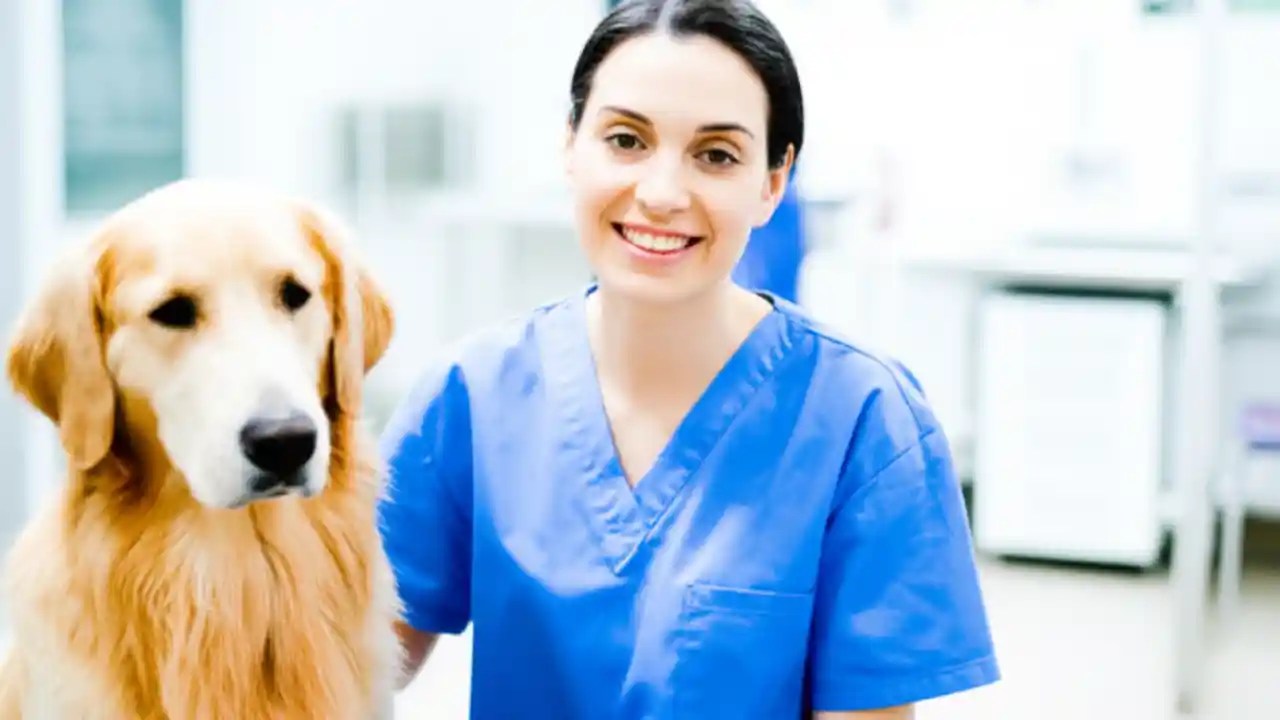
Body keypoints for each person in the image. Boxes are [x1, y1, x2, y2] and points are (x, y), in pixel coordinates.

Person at [377, 1, 1000, 718]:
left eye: (716, 155)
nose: (663, 193)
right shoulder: (470, 398)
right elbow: (344, 669)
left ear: (772, 182)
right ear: (571, 146)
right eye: (625, 139)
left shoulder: (863, 421)